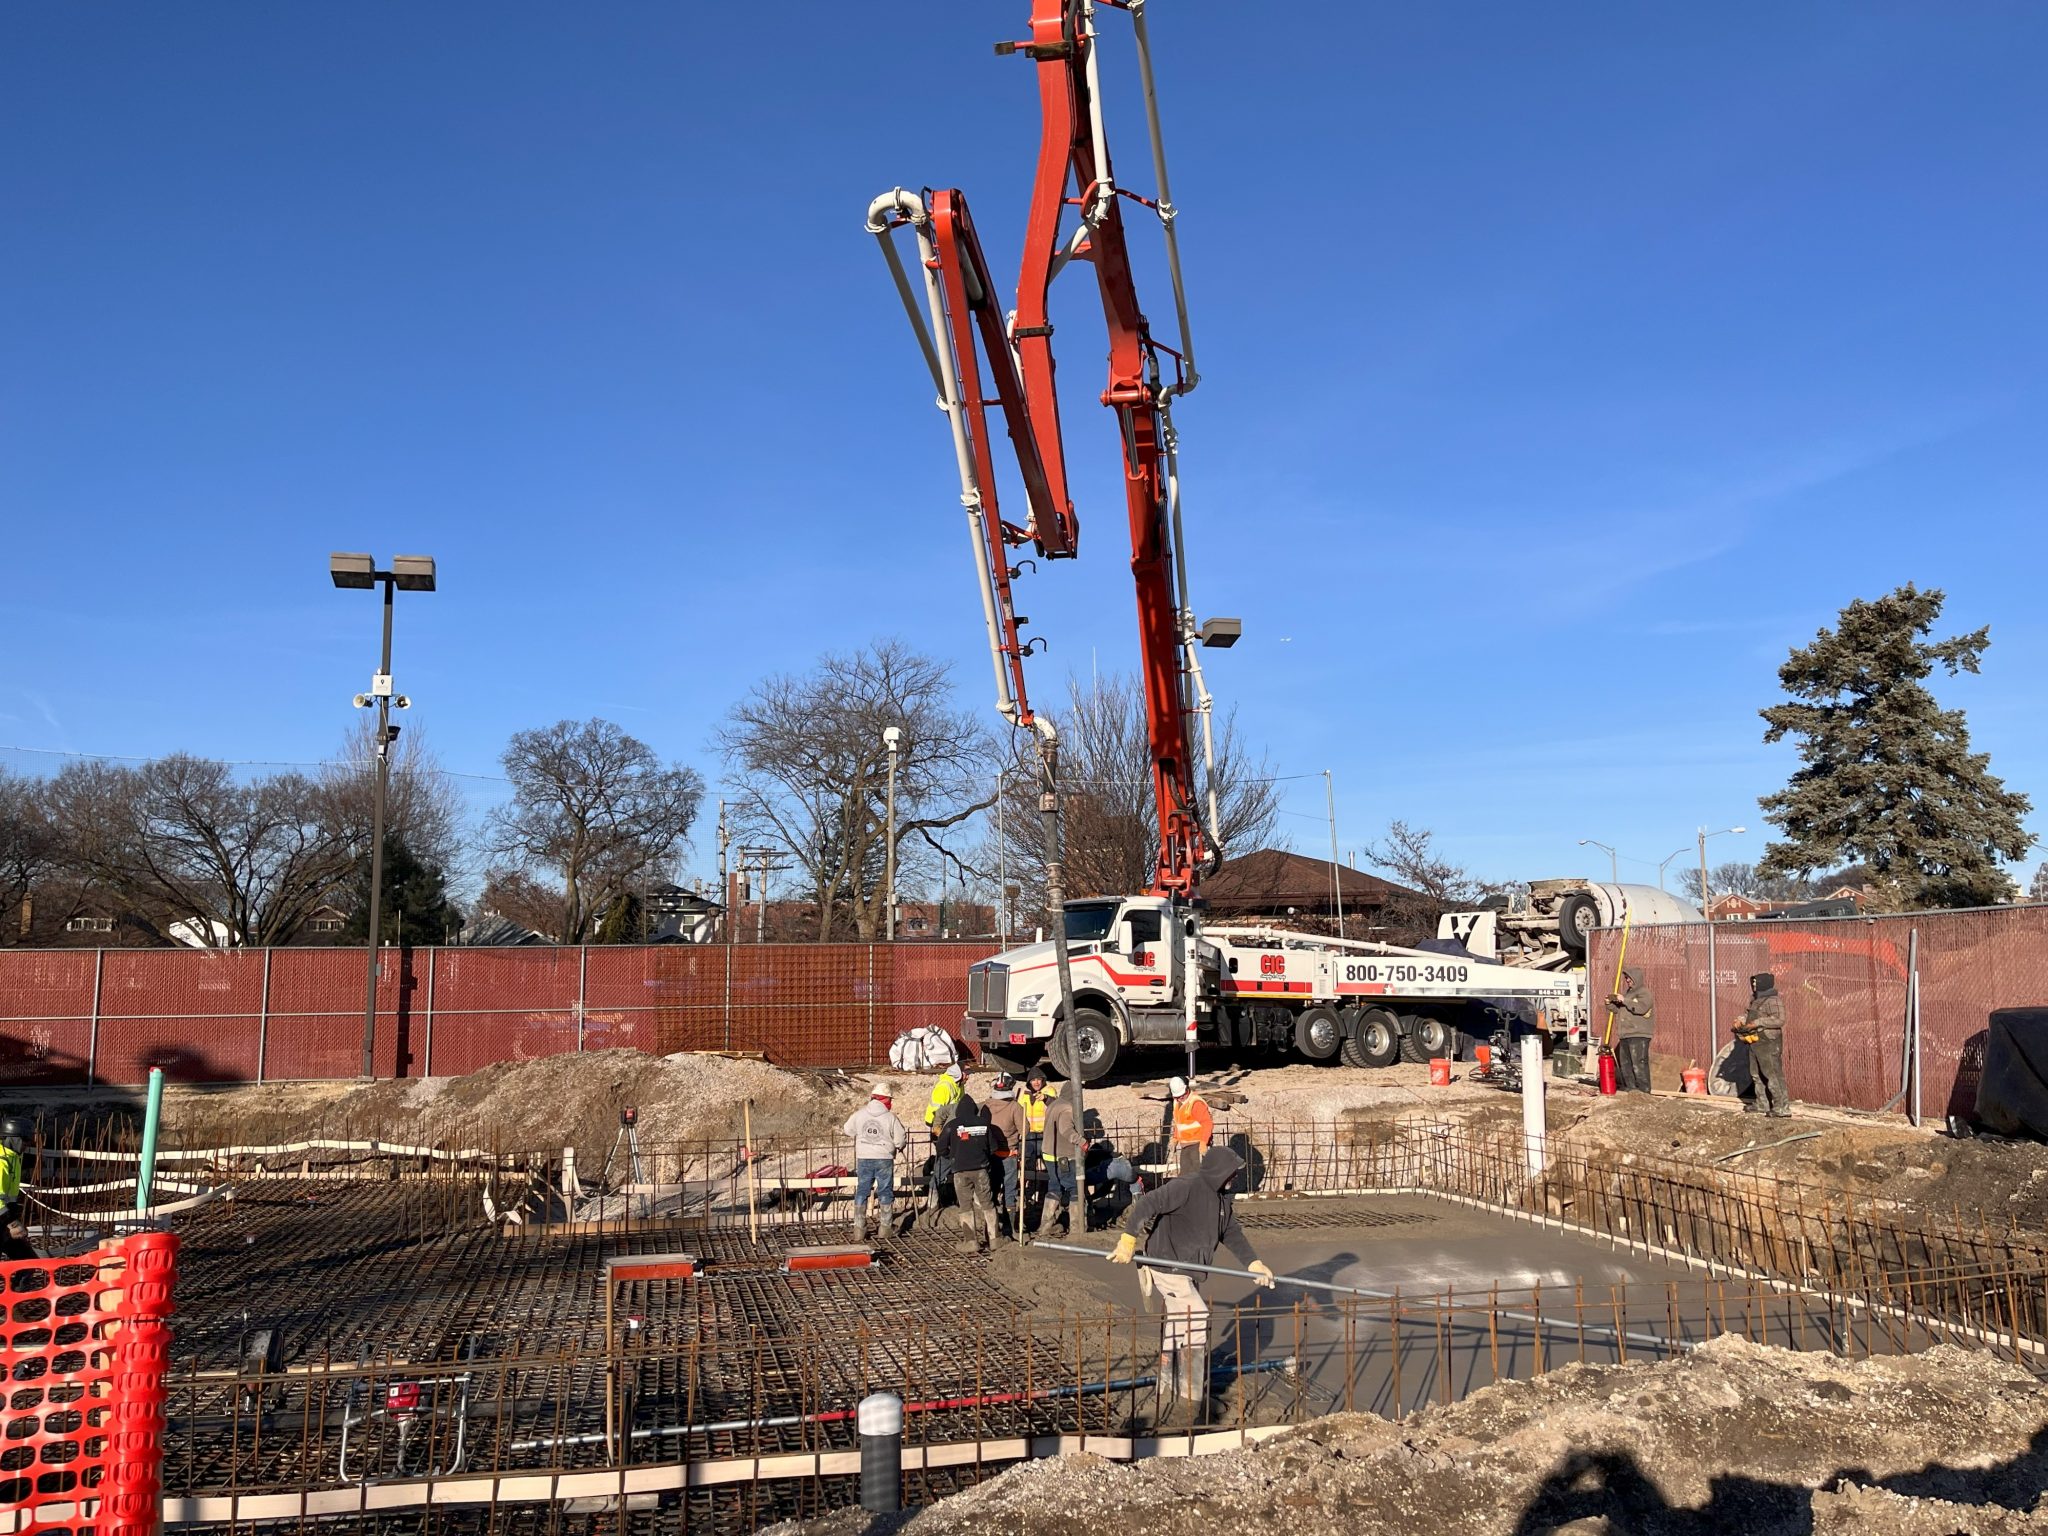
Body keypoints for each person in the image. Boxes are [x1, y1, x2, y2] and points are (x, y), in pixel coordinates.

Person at [1111, 1145, 1274, 1421]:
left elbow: (1232, 1234)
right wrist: (1128, 1239)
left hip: (1188, 1270)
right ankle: (1191, 1399)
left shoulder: (1222, 1201)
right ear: (1219, 1172)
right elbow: (1147, 1203)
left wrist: (1253, 1263)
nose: (1233, 1178)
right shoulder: (1187, 1186)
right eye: (1232, 1173)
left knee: (1178, 1320)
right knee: (1197, 1315)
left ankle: (1167, 1386)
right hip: (1166, 1263)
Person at [842, 1084, 908, 1243]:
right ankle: (885, 1228)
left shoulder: (859, 1114)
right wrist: (899, 1146)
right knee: (885, 1190)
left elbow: (847, 1130)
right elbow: (900, 1139)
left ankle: (859, 1229)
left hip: (864, 1158)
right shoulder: (890, 1117)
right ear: (883, 1099)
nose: (891, 1102)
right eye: (890, 1099)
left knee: (862, 1190)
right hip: (884, 1158)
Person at [947, 1091, 1002, 1252]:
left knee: (965, 1206)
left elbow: (942, 1147)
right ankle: (994, 1239)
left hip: (960, 1171)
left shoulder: (952, 1125)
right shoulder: (984, 1124)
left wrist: (952, 1155)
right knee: (987, 1203)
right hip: (980, 1170)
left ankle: (970, 1241)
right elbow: (993, 1147)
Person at [1736, 971, 1791, 1118]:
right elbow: (1748, 1015)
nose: (1753, 985)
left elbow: (1780, 1020)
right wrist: (1741, 1020)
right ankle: (1762, 1103)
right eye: (1753, 982)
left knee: (1772, 1074)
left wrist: (1758, 1023)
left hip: (1769, 1042)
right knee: (1756, 1074)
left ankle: (1782, 1107)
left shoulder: (1774, 1000)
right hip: (1755, 1041)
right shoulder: (1755, 999)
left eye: (1756, 983)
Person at [1039, 1089, 1084, 1237]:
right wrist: (1081, 1141)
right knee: (1075, 1188)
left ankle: (1045, 1226)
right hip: (1063, 1156)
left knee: (1054, 1186)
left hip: (1049, 1153)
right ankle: (1077, 1227)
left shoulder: (1055, 1104)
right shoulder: (1067, 1109)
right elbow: (1066, 1130)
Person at [921, 1063, 966, 1208]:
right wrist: (940, 1133)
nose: (968, 1077)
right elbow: (938, 1113)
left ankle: (948, 1196)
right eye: (966, 1074)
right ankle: (936, 1200)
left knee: (952, 1162)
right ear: (958, 1074)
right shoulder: (945, 1087)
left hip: (952, 1129)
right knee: (943, 1162)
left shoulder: (958, 1085)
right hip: (940, 1129)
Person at [1017, 1068, 1059, 1221]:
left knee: (1050, 1167)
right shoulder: (1024, 1094)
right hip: (1028, 1136)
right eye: (1033, 1080)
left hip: (1045, 1135)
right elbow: (1018, 1112)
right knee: (1025, 1166)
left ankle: (1049, 1196)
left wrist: (1046, 1098)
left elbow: (1056, 1105)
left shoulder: (1049, 1091)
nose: (1036, 1082)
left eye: (1038, 1079)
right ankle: (1024, 1196)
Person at [986, 1073, 1024, 1235]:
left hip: (991, 1155)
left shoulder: (986, 1105)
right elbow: (1025, 1129)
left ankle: (992, 1228)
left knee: (992, 1189)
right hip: (1009, 1154)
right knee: (1010, 1191)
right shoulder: (1015, 1107)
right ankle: (1009, 1227)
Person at [1606, 969, 1656, 1095]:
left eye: (1629, 978)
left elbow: (1641, 1008)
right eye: (1626, 978)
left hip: (1639, 1034)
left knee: (1638, 1063)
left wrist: (1624, 1000)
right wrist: (1609, 1004)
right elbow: (1619, 1010)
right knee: (1626, 1064)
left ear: (1636, 978)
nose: (1627, 980)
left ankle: (1644, 1091)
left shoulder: (1644, 993)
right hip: (1626, 1034)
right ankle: (1631, 1090)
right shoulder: (1628, 994)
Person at [0, 1117, 34, 1261]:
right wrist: (12, 1223)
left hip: (4, 1220)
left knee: (27, 1263)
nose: (27, 1144)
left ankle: (19, 1284)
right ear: (12, 1138)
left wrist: (13, 1219)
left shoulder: (14, 1159)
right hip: (3, 1220)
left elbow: (9, 1197)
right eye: (24, 1139)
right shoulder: (1, 1162)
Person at [1169, 1076, 1213, 1174]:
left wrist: (1203, 1143)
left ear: (1187, 1088)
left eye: (1182, 1095)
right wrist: (1175, 1138)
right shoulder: (1177, 1103)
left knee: (1195, 1175)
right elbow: (1179, 1122)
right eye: (1177, 1096)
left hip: (1197, 1144)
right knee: (1185, 1174)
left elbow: (1207, 1123)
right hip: (1185, 1145)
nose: (1180, 1098)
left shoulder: (1195, 1103)